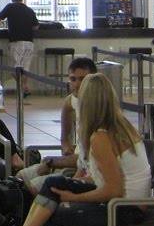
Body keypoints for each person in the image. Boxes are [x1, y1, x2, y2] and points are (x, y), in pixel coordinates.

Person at [16, 74, 150, 226]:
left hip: (126, 208)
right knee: (54, 183)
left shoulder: (101, 137)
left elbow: (114, 191)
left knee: (53, 212)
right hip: (121, 201)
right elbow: (105, 179)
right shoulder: (122, 125)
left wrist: (73, 197)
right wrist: (73, 184)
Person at [16, 58, 97, 194]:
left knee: (34, 186)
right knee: (20, 177)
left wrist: (51, 162)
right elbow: (65, 139)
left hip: (83, 171)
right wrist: (66, 148)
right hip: (74, 163)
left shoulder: (97, 111)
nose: (77, 84)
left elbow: (88, 160)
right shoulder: (72, 100)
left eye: (82, 79)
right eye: (73, 79)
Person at [0, 0, 39, 96]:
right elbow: (36, 27)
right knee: (25, 68)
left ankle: (23, 86)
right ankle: (24, 88)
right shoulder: (29, 10)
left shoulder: (10, 7)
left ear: (12, 0)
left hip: (16, 41)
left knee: (14, 68)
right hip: (29, 42)